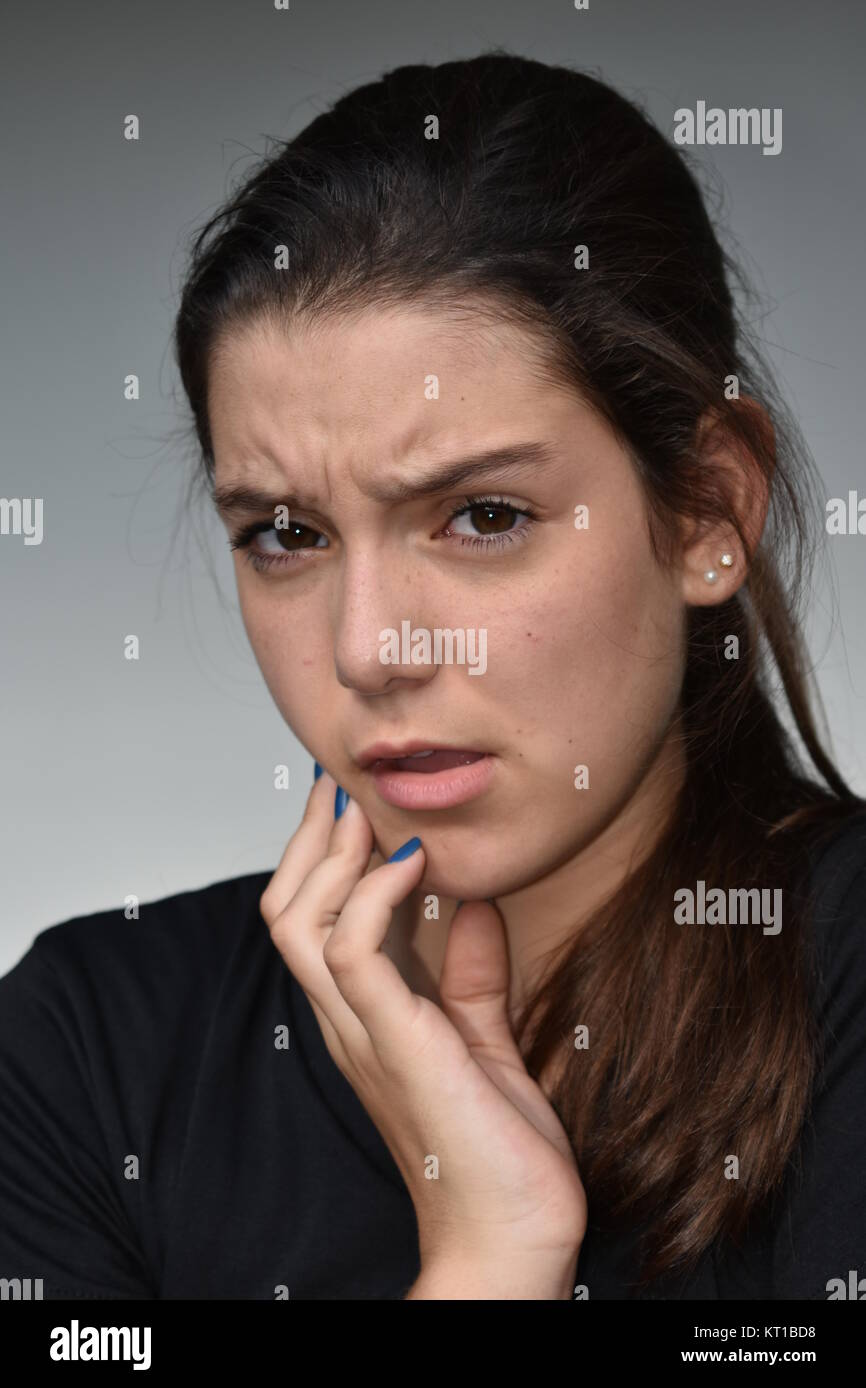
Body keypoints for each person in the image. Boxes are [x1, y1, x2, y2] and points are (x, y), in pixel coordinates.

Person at [2, 51, 865, 1301]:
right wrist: (486, 1263)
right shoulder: (85, 1055)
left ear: (704, 508)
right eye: (285, 535)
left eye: (481, 515)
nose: (369, 651)